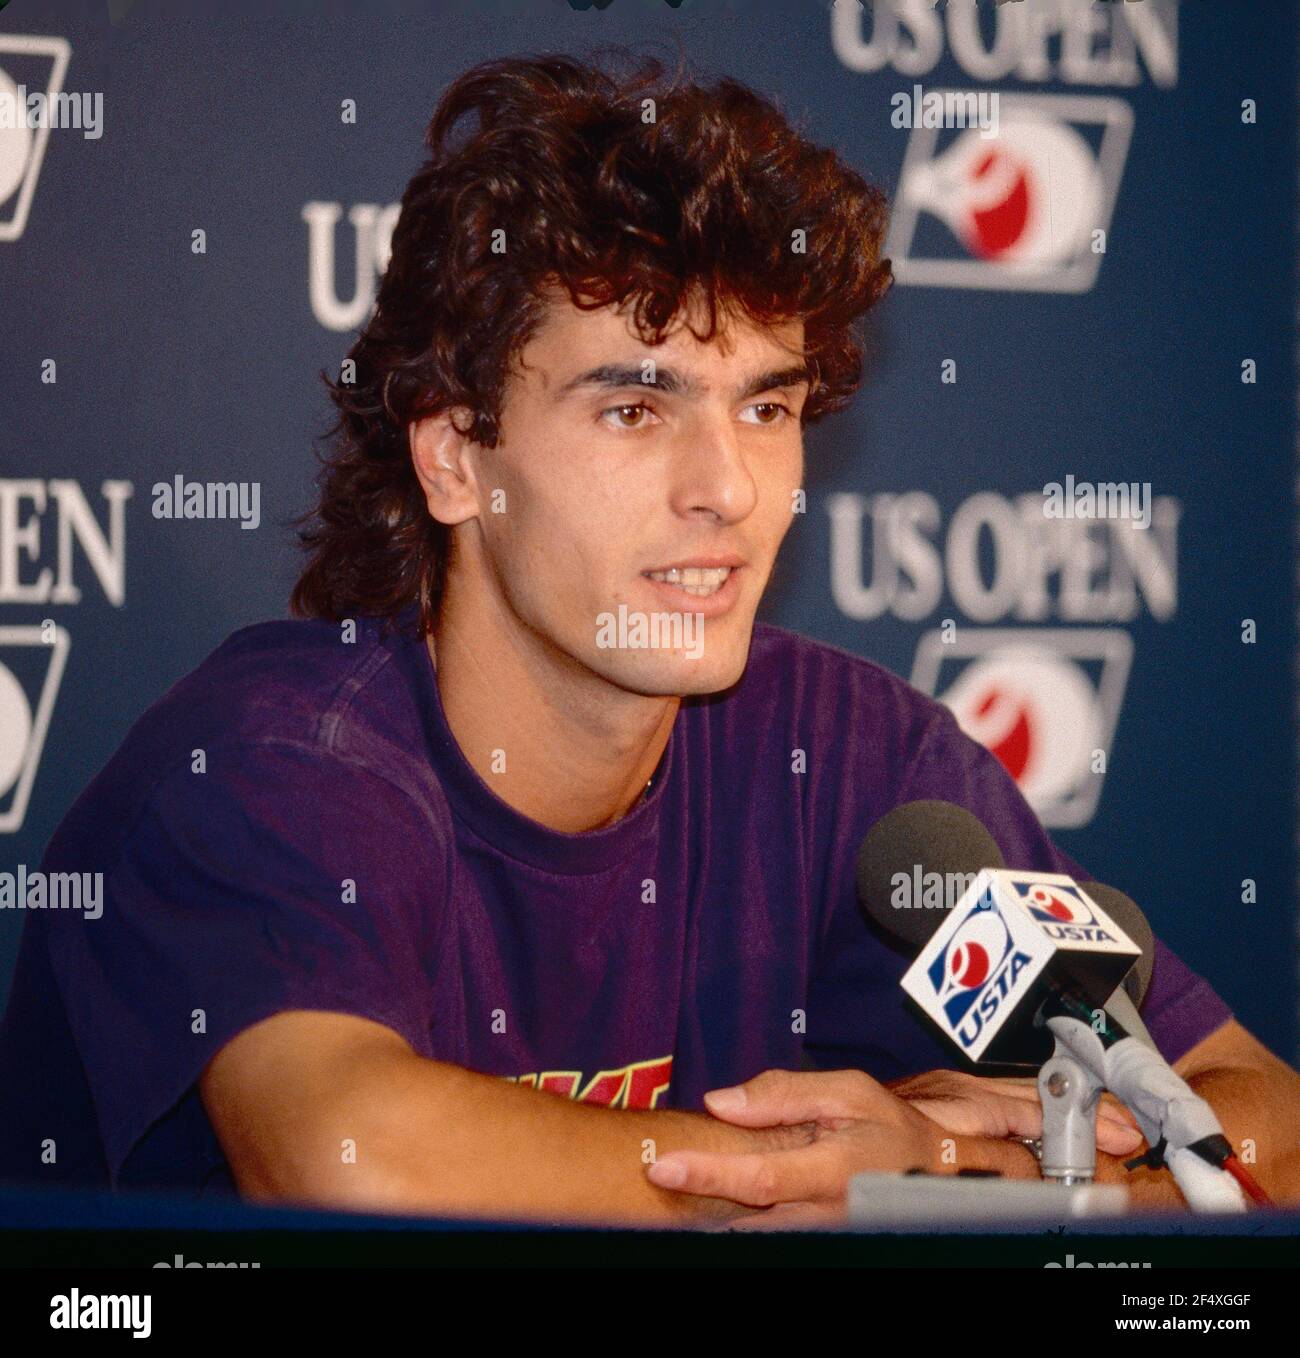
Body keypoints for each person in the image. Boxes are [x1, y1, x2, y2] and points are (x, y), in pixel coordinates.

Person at [1, 49, 1297, 1228]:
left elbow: (1261, 1118)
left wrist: (957, 1180)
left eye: (768, 406)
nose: (727, 488)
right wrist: (819, 1190)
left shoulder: (848, 756)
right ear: (457, 458)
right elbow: (348, 1157)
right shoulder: (276, 763)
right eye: (635, 407)